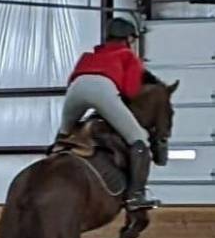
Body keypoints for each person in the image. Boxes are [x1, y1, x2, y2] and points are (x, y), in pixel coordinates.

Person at [59, 16, 159, 211]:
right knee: (140, 139)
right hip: (103, 90)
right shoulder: (128, 56)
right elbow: (130, 91)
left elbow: (72, 80)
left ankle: (50, 161)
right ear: (128, 38)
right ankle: (135, 196)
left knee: (64, 135)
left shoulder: (87, 56)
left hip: (75, 90)